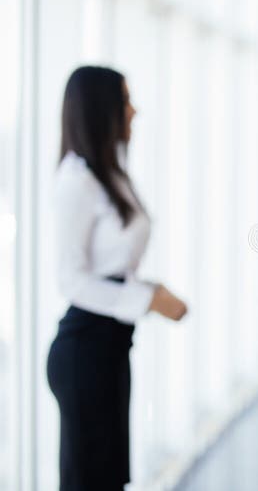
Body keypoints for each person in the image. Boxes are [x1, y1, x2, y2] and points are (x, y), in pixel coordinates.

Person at [46, 66, 188, 491]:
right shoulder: (75, 182)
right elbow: (71, 280)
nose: (134, 111)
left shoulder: (108, 175)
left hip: (110, 348)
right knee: (89, 480)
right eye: (125, 101)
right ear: (99, 109)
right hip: (83, 352)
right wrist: (148, 299)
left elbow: (114, 266)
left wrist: (149, 293)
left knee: (108, 478)